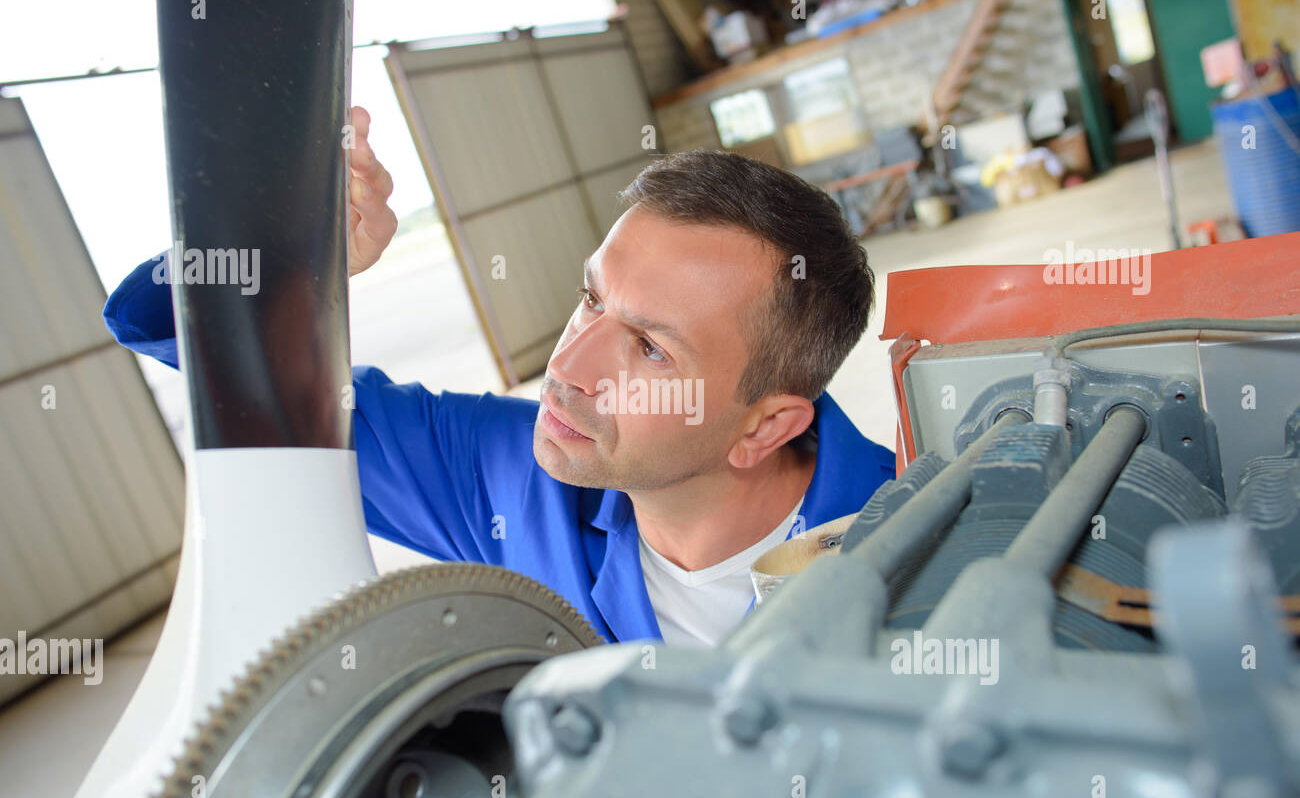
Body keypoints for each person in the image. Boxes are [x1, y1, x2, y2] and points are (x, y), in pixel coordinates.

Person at [104, 106, 896, 647]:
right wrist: (283, 252)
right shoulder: (511, 479)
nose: (568, 367)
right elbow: (209, 357)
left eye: (652, 350)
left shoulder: (916, 539)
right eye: (591, 299)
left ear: (765, 426)